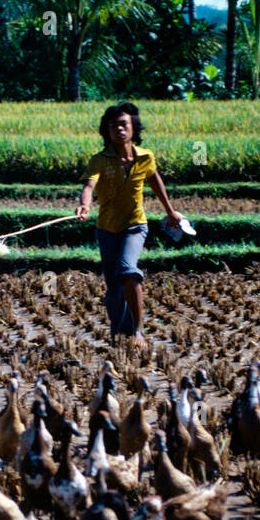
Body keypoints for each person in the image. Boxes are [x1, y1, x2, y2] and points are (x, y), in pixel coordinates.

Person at [75, 103, 183, 351]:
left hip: (135, 225)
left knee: (129, 271)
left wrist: (170, 211)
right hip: (106, 228)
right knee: (114, 286)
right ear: (107, 131)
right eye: (114, 126)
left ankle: (137, 330)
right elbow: (89, 186)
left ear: (133, 128)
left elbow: (156, 182)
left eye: (124, 124)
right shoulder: (100, 160)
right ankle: (118, 332)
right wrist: (84, 205)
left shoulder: (146, 156)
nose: (119, 129)